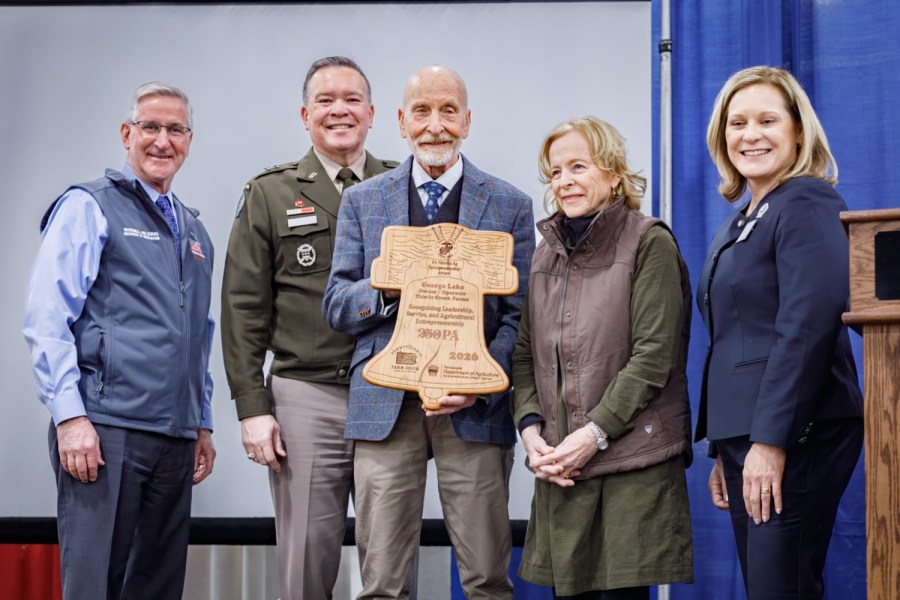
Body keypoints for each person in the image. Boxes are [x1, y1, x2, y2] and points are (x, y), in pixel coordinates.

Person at [322, 64, 535, 599]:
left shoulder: (510, 204)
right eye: (421, 111)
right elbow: (336, 304)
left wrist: (481, 379)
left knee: (487, 577)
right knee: (382, 584)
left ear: (467, 120)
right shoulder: (363, 201)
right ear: (400, 121)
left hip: (474, 407)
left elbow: (519, 317)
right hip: (385, 405)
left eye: (447, 111)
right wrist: (393, 287)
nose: (434, 125)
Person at [22, 81, 215, 600]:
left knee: (156, 587)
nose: (161, 140)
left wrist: (201, 420)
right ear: (127, 134)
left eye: (175, 129)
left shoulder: (196, 232)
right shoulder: (90, 206)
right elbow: (46, 319)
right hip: (105, 433)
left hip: (174, 438)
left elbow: (198, 333)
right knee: (94, 586)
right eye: (150, 127)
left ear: (189, 141)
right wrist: (70, 417)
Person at [220, 56, 399, 600]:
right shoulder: (270, 194)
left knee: (391, 563)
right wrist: (253, 408)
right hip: (305, 396)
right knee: (305, 565)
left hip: (389, 396)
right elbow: (243, 307)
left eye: (351, 100)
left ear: (371, 114)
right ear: (305, 114)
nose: (339, 110)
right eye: (325, 100)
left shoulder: (402, 186)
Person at [697, 66, 864, 599]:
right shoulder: (743, 217)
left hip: (797, 434)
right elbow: (733, 339)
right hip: (747, 438)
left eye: (767, 120)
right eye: (737, 122)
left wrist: (769, 441)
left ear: (797, 130)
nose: (750, 135)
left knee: (781, 589)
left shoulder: (807, 202)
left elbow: (806, 328)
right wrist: (725, 450)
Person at [510, 116, 694, 599]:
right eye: (555, 172)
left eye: (579, 166)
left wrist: (592, 435)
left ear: (613, 173)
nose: (565, 181)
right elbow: (525, 355)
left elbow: (655, 357)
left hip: (630, 468)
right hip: (561, 469)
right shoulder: (544, 255)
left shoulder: (649, 241)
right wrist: (532, 435)